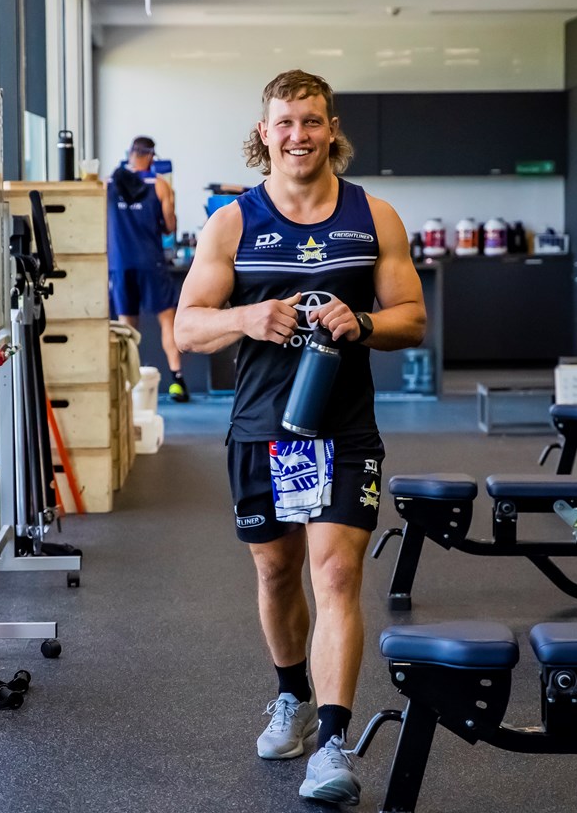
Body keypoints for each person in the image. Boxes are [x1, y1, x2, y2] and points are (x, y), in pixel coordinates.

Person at [174, 70, 426, 805]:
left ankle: (334, 743)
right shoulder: (233, 222)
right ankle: (293, 696)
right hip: (263, 428)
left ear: (332, 126)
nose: (298, 135)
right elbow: (188, 327)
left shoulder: (373, 215)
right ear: (263, 132)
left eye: (311, 121)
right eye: (284, 122)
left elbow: (412, 315)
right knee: (277, 574)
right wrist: (245, 319)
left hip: (344, 428)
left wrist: (367, 323)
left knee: (337, 574)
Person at [108, 135, 189, 402]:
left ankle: (125, 385)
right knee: (168, 321)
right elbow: (169, 226)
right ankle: (177, 381)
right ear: (152, 157)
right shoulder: (161, 185)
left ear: (130, 153)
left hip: (120, 263)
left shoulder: (108, 184)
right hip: (151, 261)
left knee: (126, 325)